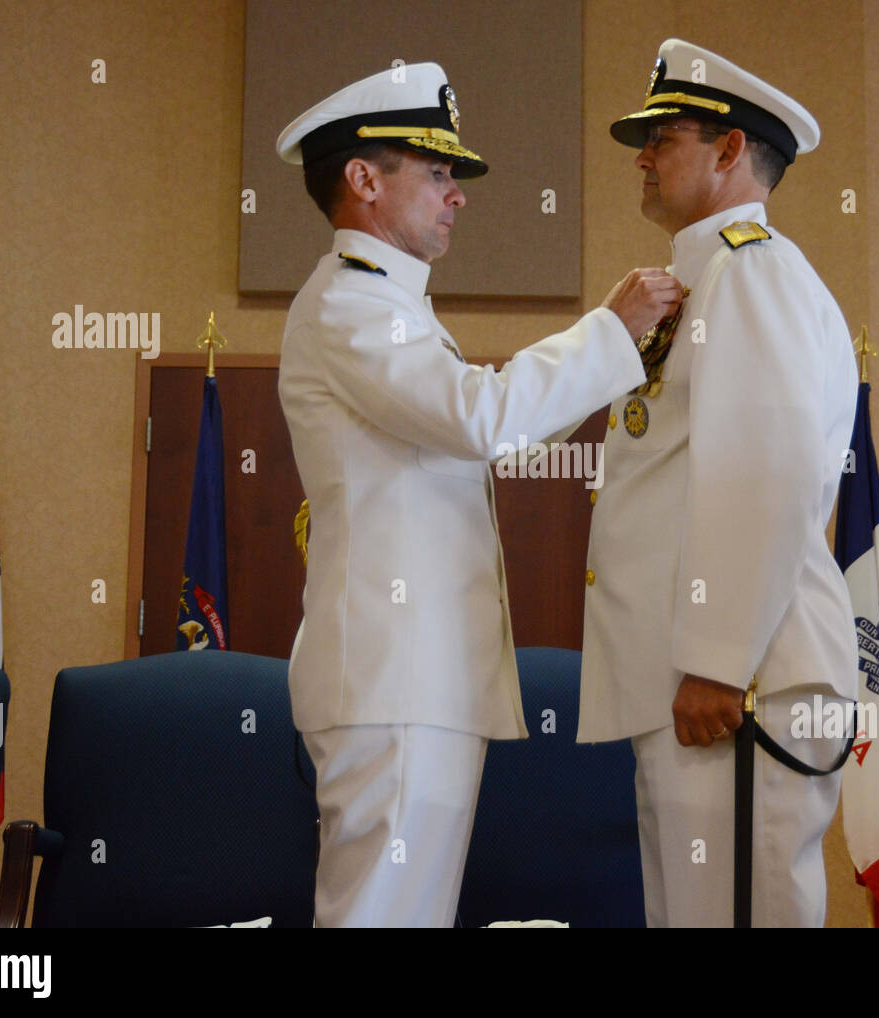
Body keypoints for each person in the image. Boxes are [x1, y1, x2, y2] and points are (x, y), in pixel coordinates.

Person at [275, 61, 683, 927]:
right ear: (362, 179)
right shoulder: (352, 305)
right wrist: (609, 330)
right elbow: (480, 417)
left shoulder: (395, 307)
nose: (456, 195)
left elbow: (476, 430)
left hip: (415, 684)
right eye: (436, 172)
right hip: (390, 686)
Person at [577, 38, 859, 927]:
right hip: (712, 685)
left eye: (663, 138)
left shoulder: (751, 268)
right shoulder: (707, 274)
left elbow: (763, 469)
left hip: (742, 685)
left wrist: (717, 659)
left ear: (731, 150)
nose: (642, 157)